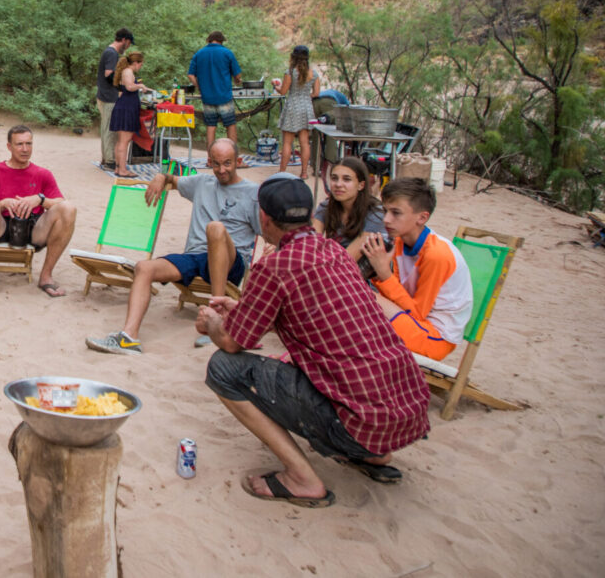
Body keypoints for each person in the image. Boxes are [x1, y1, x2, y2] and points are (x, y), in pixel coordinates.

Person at [199, 176, 431, 507]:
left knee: (223, 368)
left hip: (356, 423)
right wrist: (246, 311)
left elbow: (233, 342)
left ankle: (302, 479)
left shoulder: (275, 266)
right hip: (405, 416)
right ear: (309, 215)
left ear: (264, 217)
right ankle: (375, 456)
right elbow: (313, 322)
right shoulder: (335, 252)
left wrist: (212, 325)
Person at [85, 139, 260, 355]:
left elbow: (268, 231)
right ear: (209, 162)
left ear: (238, 161)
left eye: (227, 163)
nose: (221, 170)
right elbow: (172, 179)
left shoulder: (253, 193)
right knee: (144, 267)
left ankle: (216, 318)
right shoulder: (201, 183)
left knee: (215, 229)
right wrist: (161, 176)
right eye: (216, 164)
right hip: (196, 257)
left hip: (231, 262)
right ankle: (129, 338)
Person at [362, 177, 472, 362]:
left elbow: (418, 314)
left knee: (364, 298)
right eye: (385, 211)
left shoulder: (436, 255)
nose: (386, 219)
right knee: (357, 294)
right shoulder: (399, 241)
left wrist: (384, 274)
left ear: (422, 217)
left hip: (434, 337)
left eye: (396, 213)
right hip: (411, 323)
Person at [0, 125, 77, 303]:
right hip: (1, 226)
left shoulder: (43, 174)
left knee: (69, 208)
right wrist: (3, 204)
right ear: (9, 147)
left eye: (29, 144)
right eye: (19, 144)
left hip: (34, 228)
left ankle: (46, 276)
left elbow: (61, 203)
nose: (25, 149)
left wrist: (40, 199)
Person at [312, 156, 385, 260]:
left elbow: (348, 259)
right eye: (334, 178)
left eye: (347, 179)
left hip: (360, 270)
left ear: (361, 185)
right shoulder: (326, 206)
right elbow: (312, 244)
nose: (338, 184)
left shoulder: (375, 213)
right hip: (333, 265)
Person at [187, 31, 242, 148]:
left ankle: (210, 159)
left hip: (207, 97)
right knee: (230, 125)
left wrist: (199, 87)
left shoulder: (199, 54)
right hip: (224, 97)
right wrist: (237, 80)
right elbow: (237, 75)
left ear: (209, 40)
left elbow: (190, 75)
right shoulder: (227, 53)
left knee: (211, 127)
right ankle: (233, 157)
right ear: (221, 41)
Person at [272, 45, 320, 177]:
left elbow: (283, 91)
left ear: (293, 56)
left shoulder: (291, 72)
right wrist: (305, 97)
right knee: (304, 142)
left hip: (293, 106)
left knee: (287, 142)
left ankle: (282, 172)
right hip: (306, 107)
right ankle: (304, 172)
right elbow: (316, 93)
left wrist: (276, 86)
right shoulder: (314, 73)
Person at [96, 28, 135, 170]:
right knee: (109, 129)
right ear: (124, 40)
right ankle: (109, 161)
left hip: (105, 95)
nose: (128, 46)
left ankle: (106, 158)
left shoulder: (109, 52)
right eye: (129, 43)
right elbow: (109, 74)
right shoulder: (112, 53)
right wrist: (121, 86)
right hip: (108, 96)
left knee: (106, 127)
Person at [108, 50, 150, 178]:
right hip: (126, 108)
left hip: (126, 106)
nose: (140, 66)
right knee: (124, 141)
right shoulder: (128, 71)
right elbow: (129, 87)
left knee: (121, 141)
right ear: (136, 63)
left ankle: (118, 167)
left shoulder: (126, 71)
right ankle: (123, 170)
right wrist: (140, 85)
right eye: (140, 64)